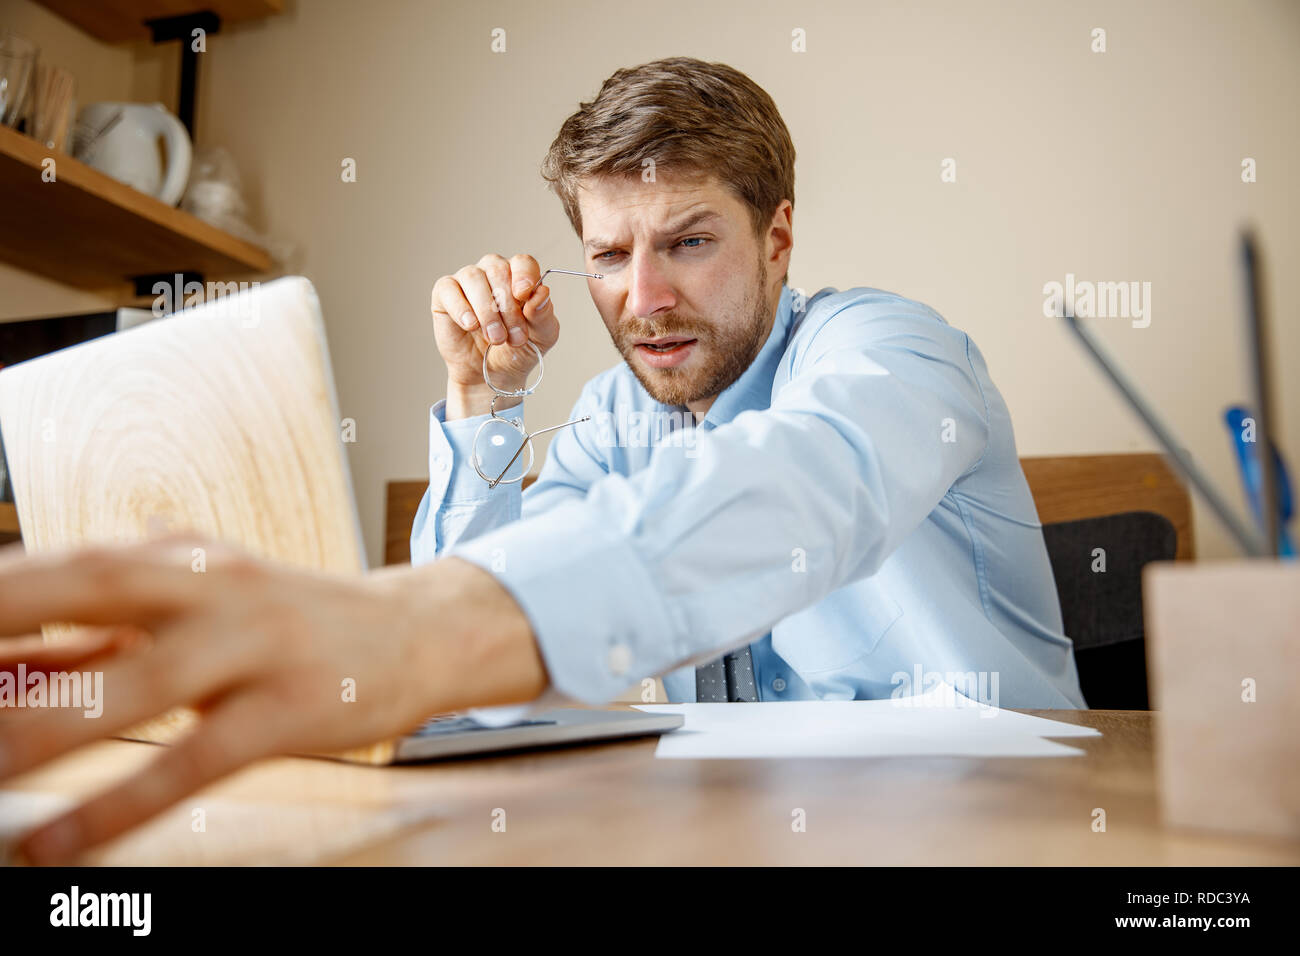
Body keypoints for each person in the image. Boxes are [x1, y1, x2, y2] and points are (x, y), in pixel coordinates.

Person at [0, 56, 1082, 865]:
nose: (643, 298)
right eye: (609, 254)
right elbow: (472, 695)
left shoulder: (892, 349)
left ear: (779, 239)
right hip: (752, 834)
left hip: (1006, 828)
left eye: (689, 241)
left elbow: (806, 478)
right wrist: (488, 397)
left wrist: (420, 623)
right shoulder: (616, 416)